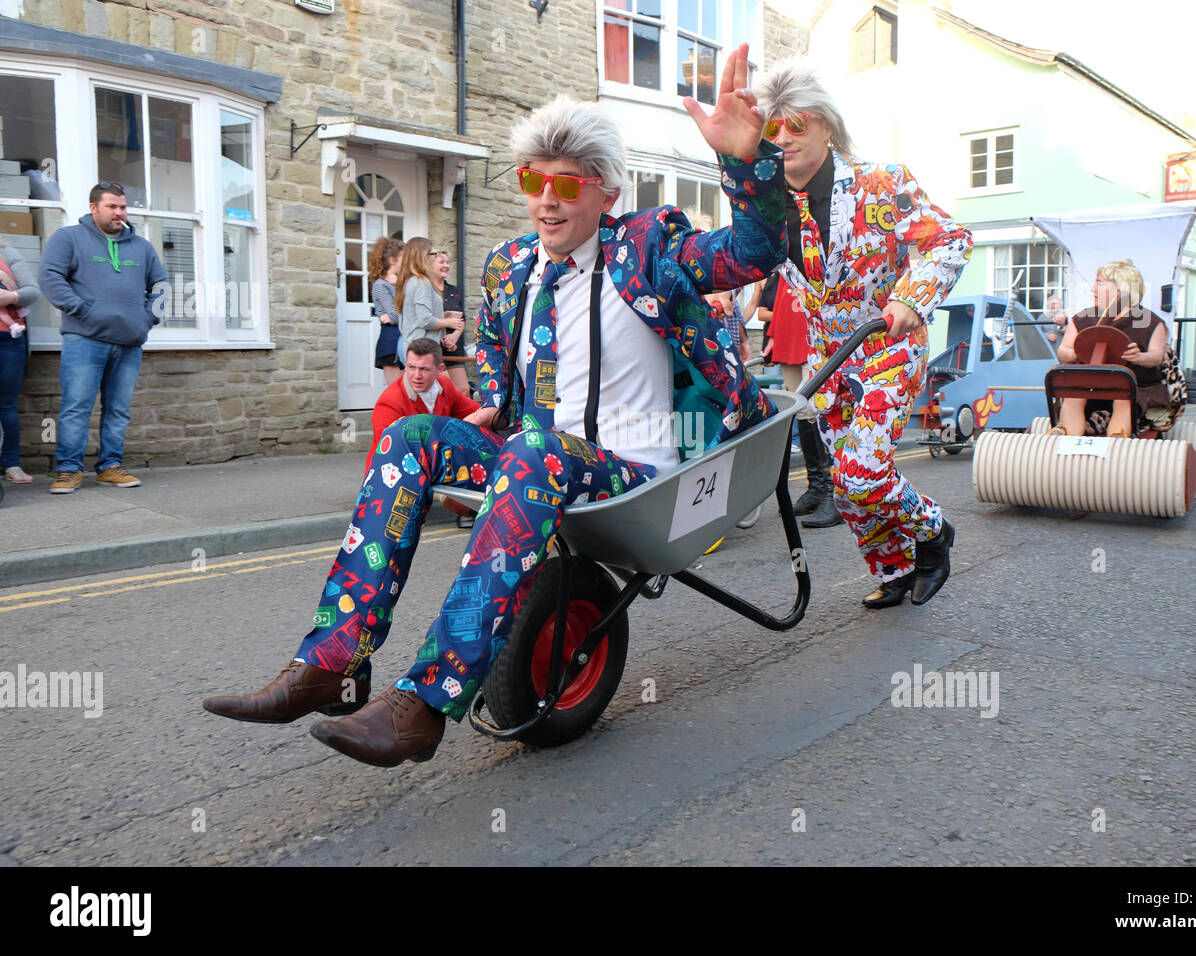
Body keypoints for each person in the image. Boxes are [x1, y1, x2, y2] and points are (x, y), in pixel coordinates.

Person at [202, 47, 786, 768]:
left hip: (635, 475)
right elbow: (497, 354)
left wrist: (746, 162)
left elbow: (757, 249)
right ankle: (332, 662)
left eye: (566, 184)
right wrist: (492, 404)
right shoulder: (512, 265)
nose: (546, 199)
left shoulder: (648, 249)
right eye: (534, 179)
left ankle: (423, 704)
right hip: (532, 458)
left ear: (605, 192)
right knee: (413, 437)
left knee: (536, 453)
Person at [754, 61, 971, 610]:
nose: (783, 139)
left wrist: (909, 297)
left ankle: (934, 532)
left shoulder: (883, 182)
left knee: (861, 470)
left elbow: (949, 240)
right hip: (831, 363)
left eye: (796, 124)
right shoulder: (771, 211)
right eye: (771, 130)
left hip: (888, 349)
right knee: (850, 491)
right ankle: (893, 570)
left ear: (826, 126)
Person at [38, 182, 167, 494]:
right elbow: (49, 276)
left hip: (129, 342)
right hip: (84, 339)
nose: (119, 213)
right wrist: (80, 309)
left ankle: (110, 466)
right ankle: (69, 469)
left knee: (119, 408)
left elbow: (162, 284)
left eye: (122, 207)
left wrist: (148, 318)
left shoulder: (142, 247)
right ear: (94, 208)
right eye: (112, 206)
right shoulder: (69, 238)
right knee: (77, 406)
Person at [1050, 259, 1173, 438]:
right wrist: (1078, 351)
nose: (1093, 289)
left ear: (1120, 288)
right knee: (1074, 395)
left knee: (1123, 395)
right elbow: (1063, 352)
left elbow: (1157, 356)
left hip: (1137, 387)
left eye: (1099, 283)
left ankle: (1116, 440)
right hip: (1089, 384)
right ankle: (1067, 439)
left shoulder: (1151, 322)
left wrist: (1139, 357)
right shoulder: (1083, 318)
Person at [766, 271, 839, 527]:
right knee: (800, 410)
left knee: (818, 408)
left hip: (815, 335)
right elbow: (782, 297)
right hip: (789, 333)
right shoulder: (788, 247)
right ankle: (817, 486)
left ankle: (834, 492)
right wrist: (774, 335)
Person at [365, 337, 479, 472]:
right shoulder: (389, 403)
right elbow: (388, 454)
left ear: (440, 369)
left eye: (424, 369)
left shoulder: (445, 386)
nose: (416, 375)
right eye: (411, 367)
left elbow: (476, 412)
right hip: (392, 473)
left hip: (432, 466)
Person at [1, 237, 39, 483]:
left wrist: (10, 297)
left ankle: (12, 463)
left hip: (8, 340)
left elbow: (32, 291)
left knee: (6, 405)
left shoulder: (6, 252)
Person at [394, 237, 462, 355]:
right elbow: (424, 321)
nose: (436, 256)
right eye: (433, 253)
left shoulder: (410, 281)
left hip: (413, 346)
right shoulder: (421, 282)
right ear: (423, 257)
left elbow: (414, 316)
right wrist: (449, 323)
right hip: (422, 349)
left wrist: (442, 315)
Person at [430, 249, 472, 397]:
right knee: (443, 392)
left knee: (464, 390)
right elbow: (425, 319)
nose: (446, 265)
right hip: (434, 347)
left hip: (453, 348)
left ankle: (460, 421)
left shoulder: (453, 290)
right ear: (430, 265)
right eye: (442, 262)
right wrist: (445, 328)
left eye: (448, 262)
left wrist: (454, 336)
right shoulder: (425, 289)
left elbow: (462, 318)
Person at [370, 238, 405, 386]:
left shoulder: (399, 284)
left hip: (403, 342)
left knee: (408, 393)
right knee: (397, 392)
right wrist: (397, 289)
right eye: (403, 259)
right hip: (390, 343)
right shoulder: (381, 285)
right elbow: (396, 315)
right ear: (392, 260)